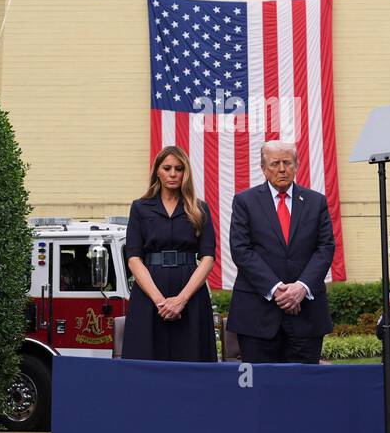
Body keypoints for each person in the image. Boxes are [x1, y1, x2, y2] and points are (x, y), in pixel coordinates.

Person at [227, 141, 335, 364]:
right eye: (275, 163)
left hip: (306, 315)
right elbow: (241, 250)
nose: (282, 169)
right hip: (257, 315)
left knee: (304, 388)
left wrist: (301, 287)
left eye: (287, 163)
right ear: (264, 168)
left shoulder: (316, 202)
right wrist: (276, 289)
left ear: (296, 165)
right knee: (260, 388)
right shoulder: (245, 201)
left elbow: (325, 248)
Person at [121, 146, 217, 362]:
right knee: (146, 360)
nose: (173, 174)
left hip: (190, 294)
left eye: (178, 168)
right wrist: (160, 302)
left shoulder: (199, 209)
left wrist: (181, 300)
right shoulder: (140, 208)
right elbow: (134, 258)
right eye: (167, 168)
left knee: (192, 359)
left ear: (185, 173)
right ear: (157, 171)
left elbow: (208, 258)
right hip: (149, 294)